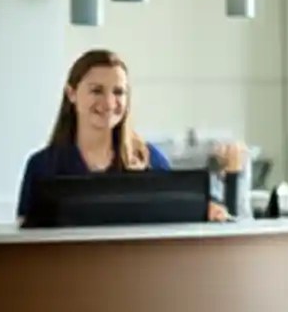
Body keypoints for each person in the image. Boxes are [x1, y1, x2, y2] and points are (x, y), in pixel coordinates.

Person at [16, 49, 227, 223]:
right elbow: (24, 243)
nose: (109, 103)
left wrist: (207, 213)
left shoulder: (150, 160)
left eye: (118, 92)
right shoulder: (42, 166)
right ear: (71, 93)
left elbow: (175, 224)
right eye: (96, 90)